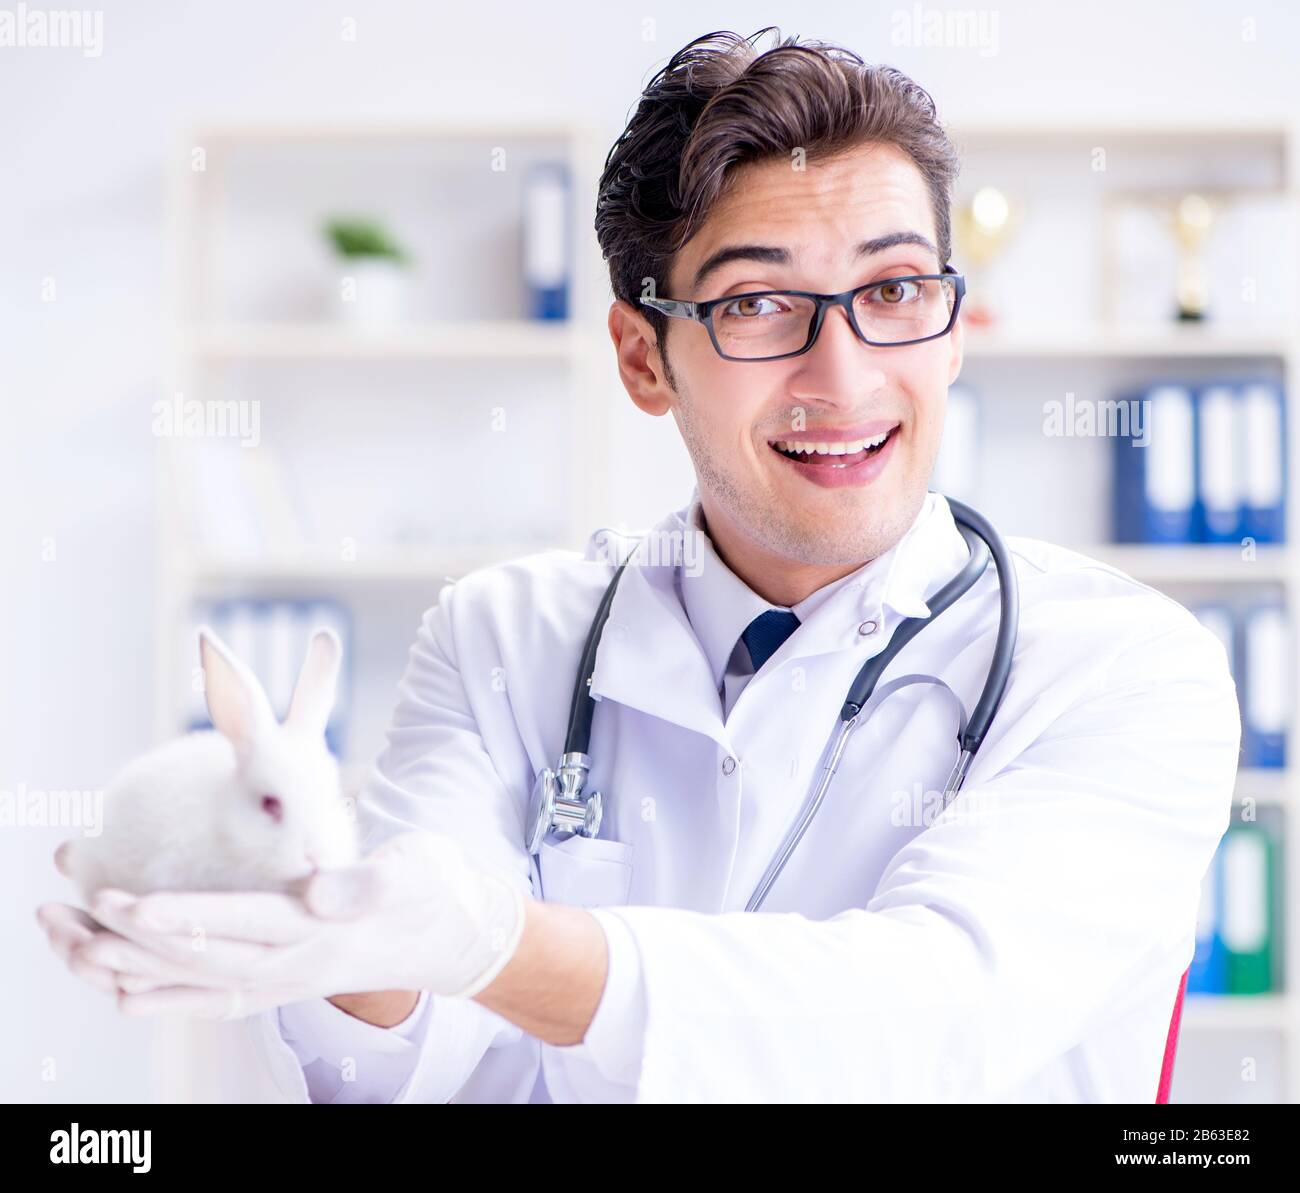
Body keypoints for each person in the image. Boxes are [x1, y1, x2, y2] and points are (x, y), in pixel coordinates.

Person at [38, 27, 1239, 1103]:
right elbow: (405, 1074)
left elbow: (935, 1016)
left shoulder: (1122, 667)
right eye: (760, 303)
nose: (845, 375)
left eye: (892, 289)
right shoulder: (500, 635)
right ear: (641, 356)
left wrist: (500, 945)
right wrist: (349, 954)